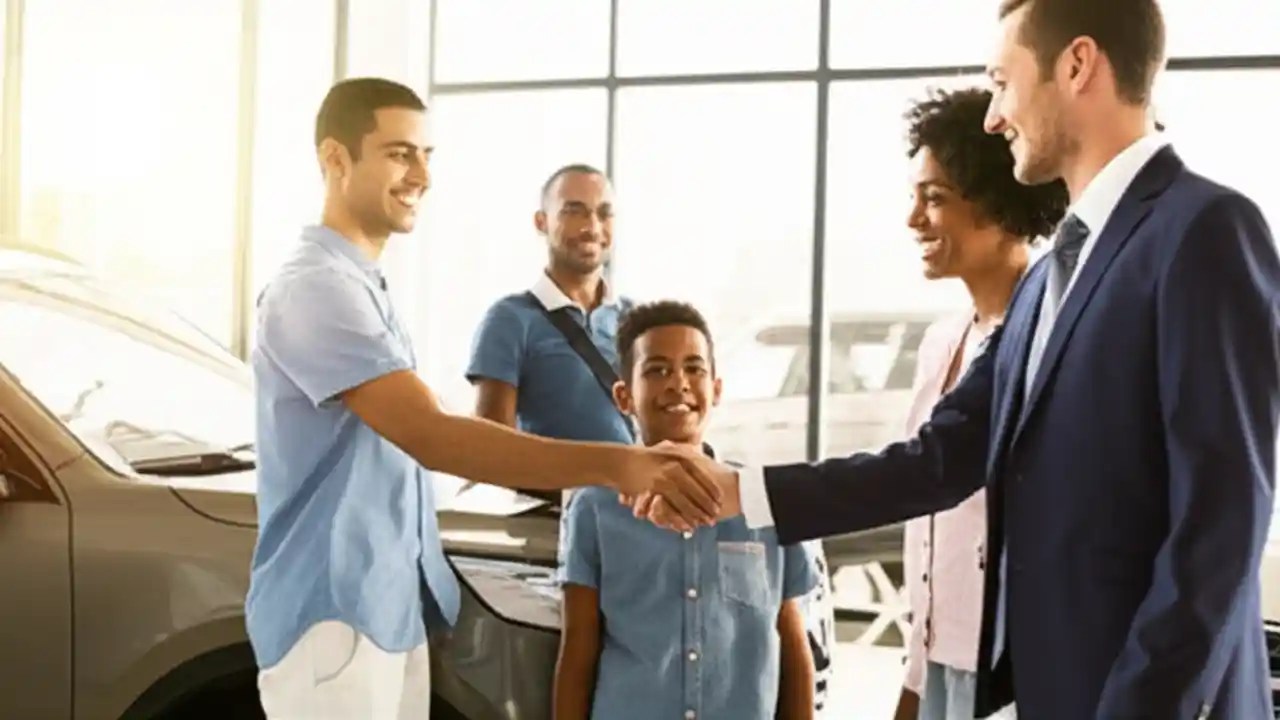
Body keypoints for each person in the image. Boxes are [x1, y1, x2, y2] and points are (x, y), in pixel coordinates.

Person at [638, 1, 1280, 718]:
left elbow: (1220, 529)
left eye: (1002, 82)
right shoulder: (1046, 280)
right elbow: (940, 460)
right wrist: (737, 491)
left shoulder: (1204, 231)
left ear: (1077, 65)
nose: (993, 116)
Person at [247, 78, 719, 719]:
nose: (421, 176)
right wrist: (621, 465)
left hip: (385, 611)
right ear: (335, 158)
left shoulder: (363, 284)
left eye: (426, 155)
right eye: (398, 153)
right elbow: (435, 436)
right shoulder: (318, 290)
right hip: (334, 616)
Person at [553, 301, 819, 720]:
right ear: (624, 396)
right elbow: (578, 651)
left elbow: (791, 645)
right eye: (657, 370)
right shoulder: (594, 508)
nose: (678, 383)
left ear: (716, 388)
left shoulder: (763, 502)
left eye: (693, 369)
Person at [894, 87, 1067, 720]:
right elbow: (927, 523)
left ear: (999, 203)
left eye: (933, 198)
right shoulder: (942, 341)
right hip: (942, 662)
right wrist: (915, 680)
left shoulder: (1055, 335)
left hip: (1015, 674)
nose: (913, 219)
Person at [467, 164, 635, 502]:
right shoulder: (511, 319)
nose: (592, 227)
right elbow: (490, 451)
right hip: (555, 522)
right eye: (574, 212)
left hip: (637, 518)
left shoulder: (636, 318)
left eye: (604, 213)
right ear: (541, 222)